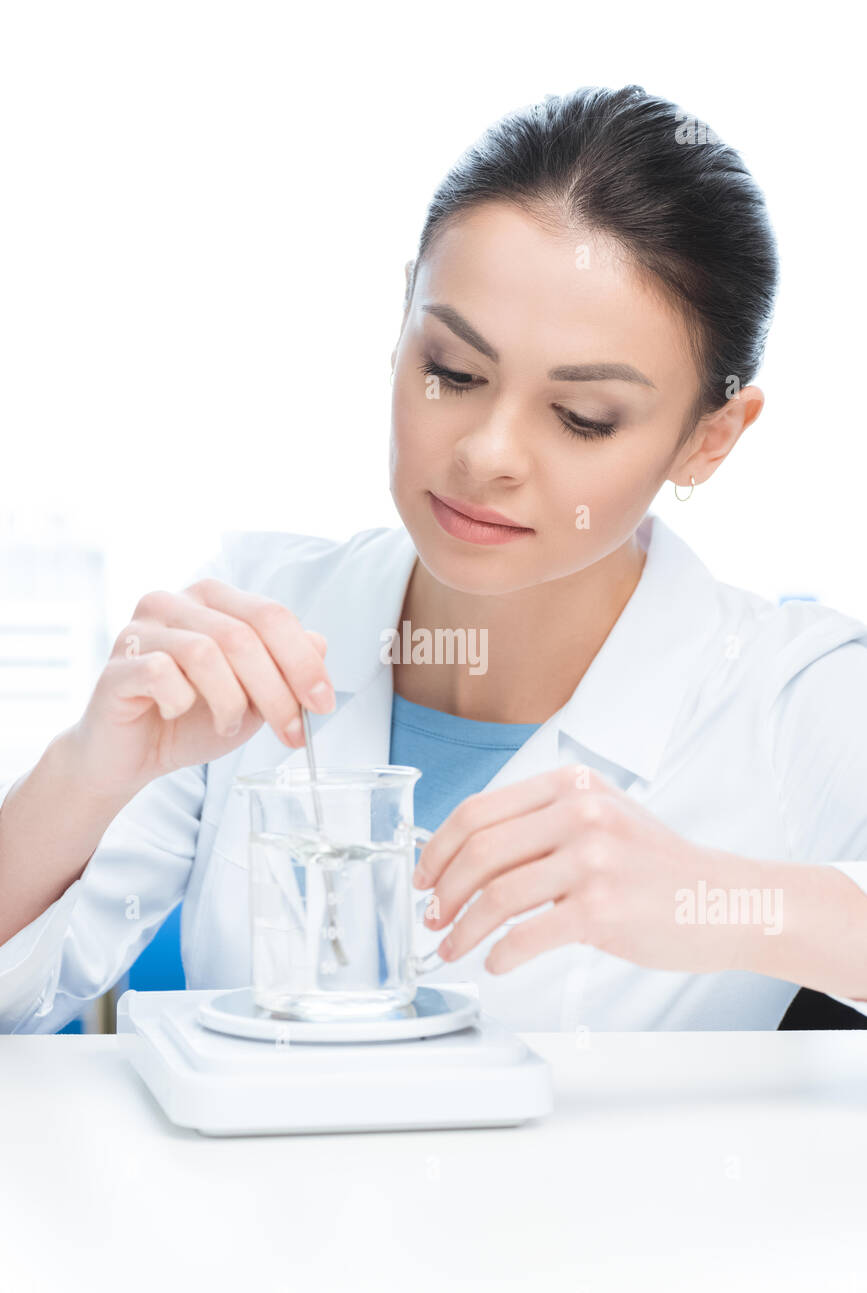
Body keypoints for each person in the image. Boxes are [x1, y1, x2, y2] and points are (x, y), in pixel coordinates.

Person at [1, 83, 866, 1035]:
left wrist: (731, 901)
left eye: (583, 418)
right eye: (451, 371)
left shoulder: (790, 695)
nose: (485, 454)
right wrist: (82, 774)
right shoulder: (260, 611)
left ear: (710, 438)